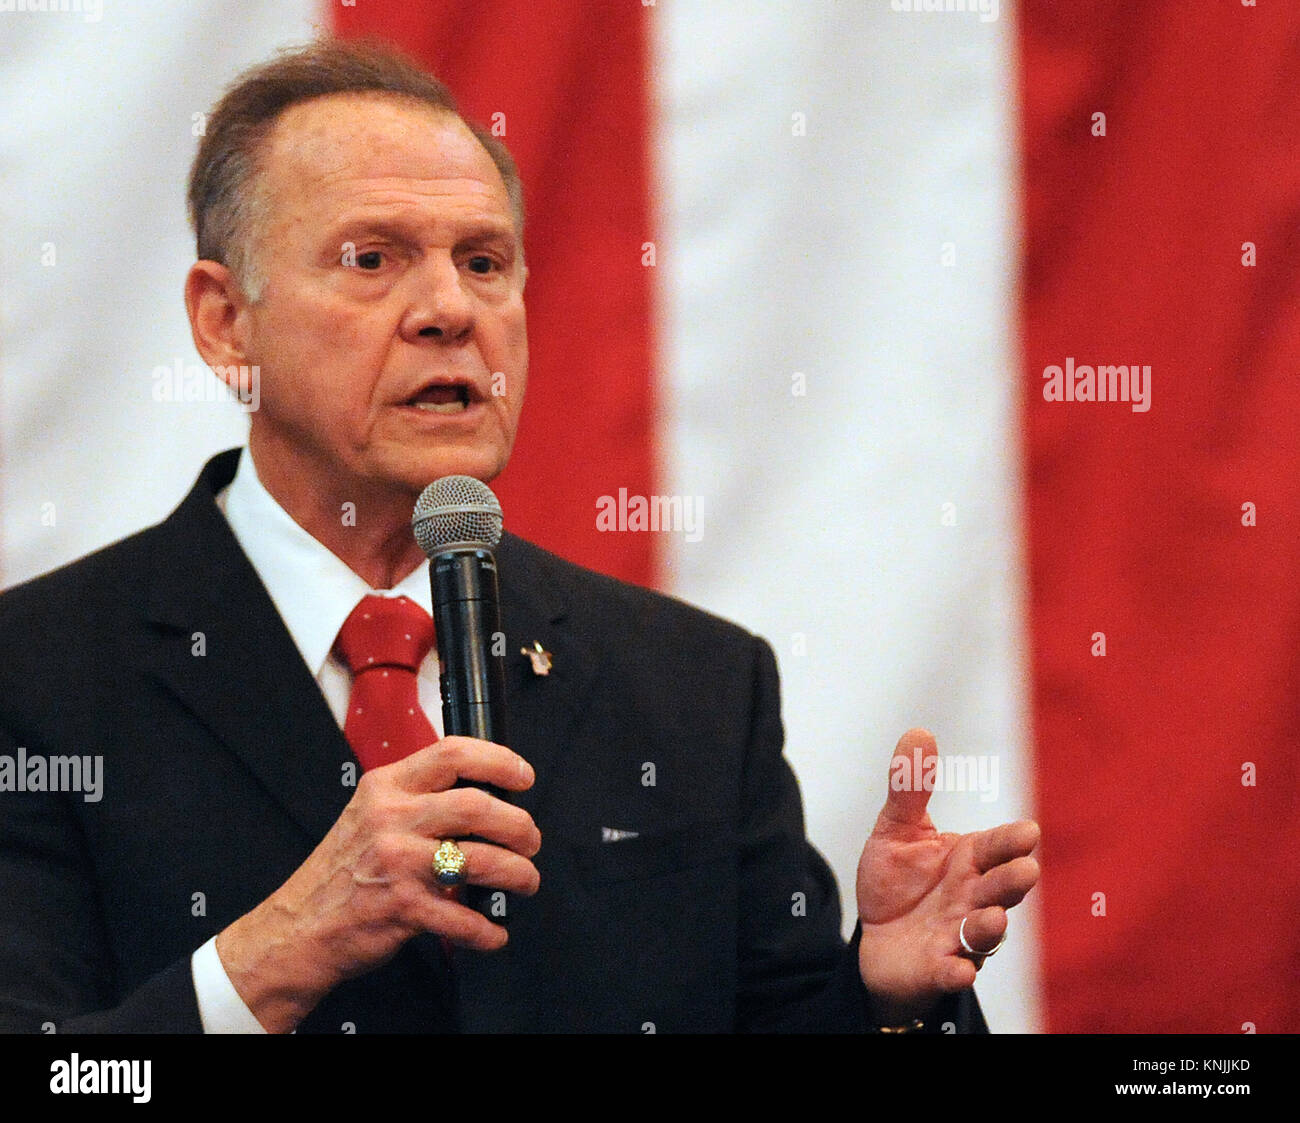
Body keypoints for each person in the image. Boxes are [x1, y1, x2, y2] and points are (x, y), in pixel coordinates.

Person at [0, 38, 1038, 1034]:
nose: (451, 308)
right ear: (226, 324)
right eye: (374, 257)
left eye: (486, 261)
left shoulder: (695, 688)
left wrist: (885, 1002)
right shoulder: (39, 680)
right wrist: (276, 953)